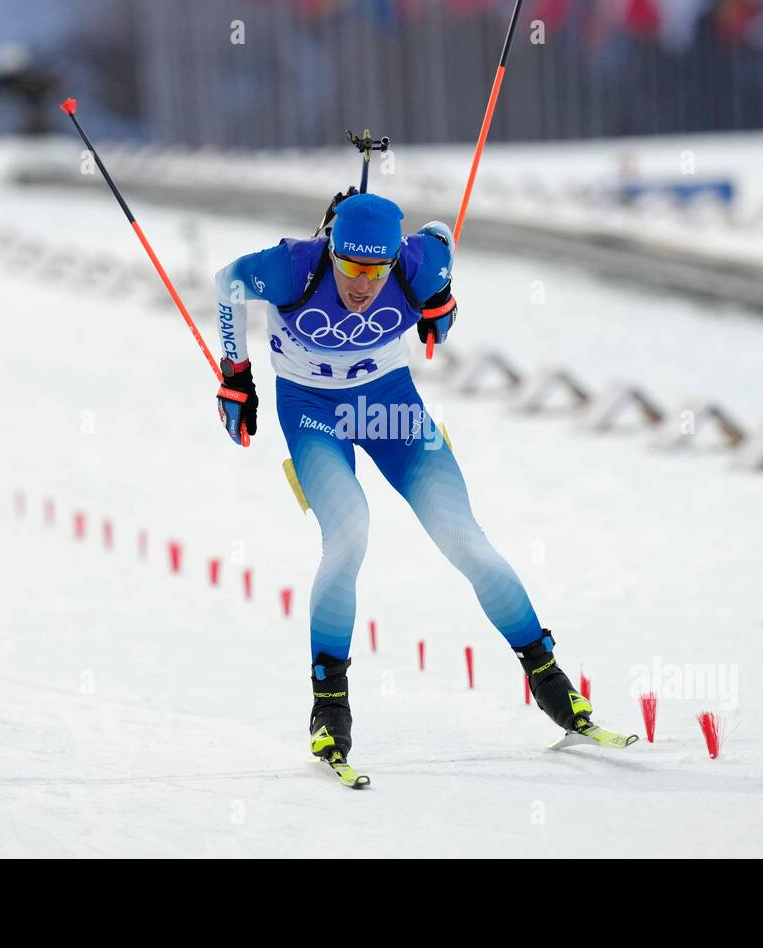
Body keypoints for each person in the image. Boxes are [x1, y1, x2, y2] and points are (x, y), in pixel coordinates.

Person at [213, 192, 594, 763]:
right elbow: (227, 283)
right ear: (331, 248)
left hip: (392, 408)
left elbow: (442, 233)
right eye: (349, 266)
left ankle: (546, 673)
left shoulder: (421, 262)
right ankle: (330, 706)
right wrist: (235, 374)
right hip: (313, 412)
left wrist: (440, 298)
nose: (362, 284)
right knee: (349, 535)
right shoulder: (293, 267)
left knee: (463, 537)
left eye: (376, 269)